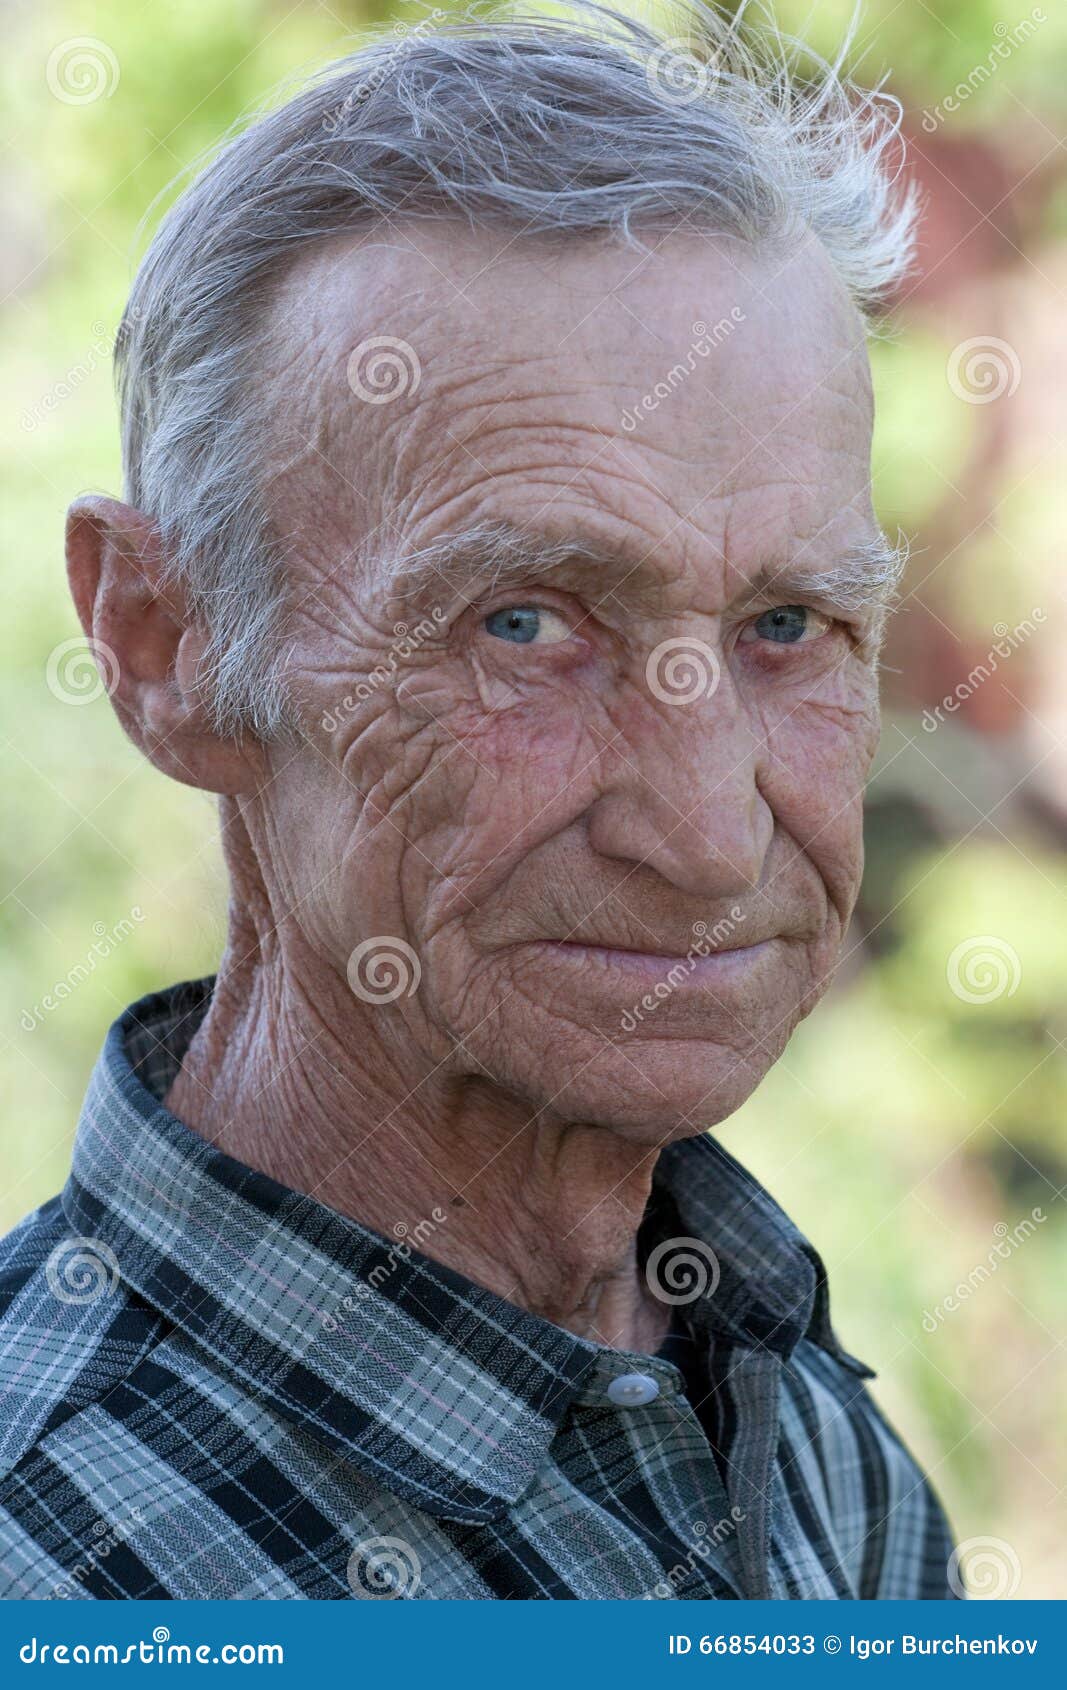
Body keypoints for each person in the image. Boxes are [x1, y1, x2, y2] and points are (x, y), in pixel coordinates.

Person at [0, 3, 956, 1600]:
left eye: (787, 627)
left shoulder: (819, 1457)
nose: (712, 838)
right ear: (166, 648)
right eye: (524, 625)